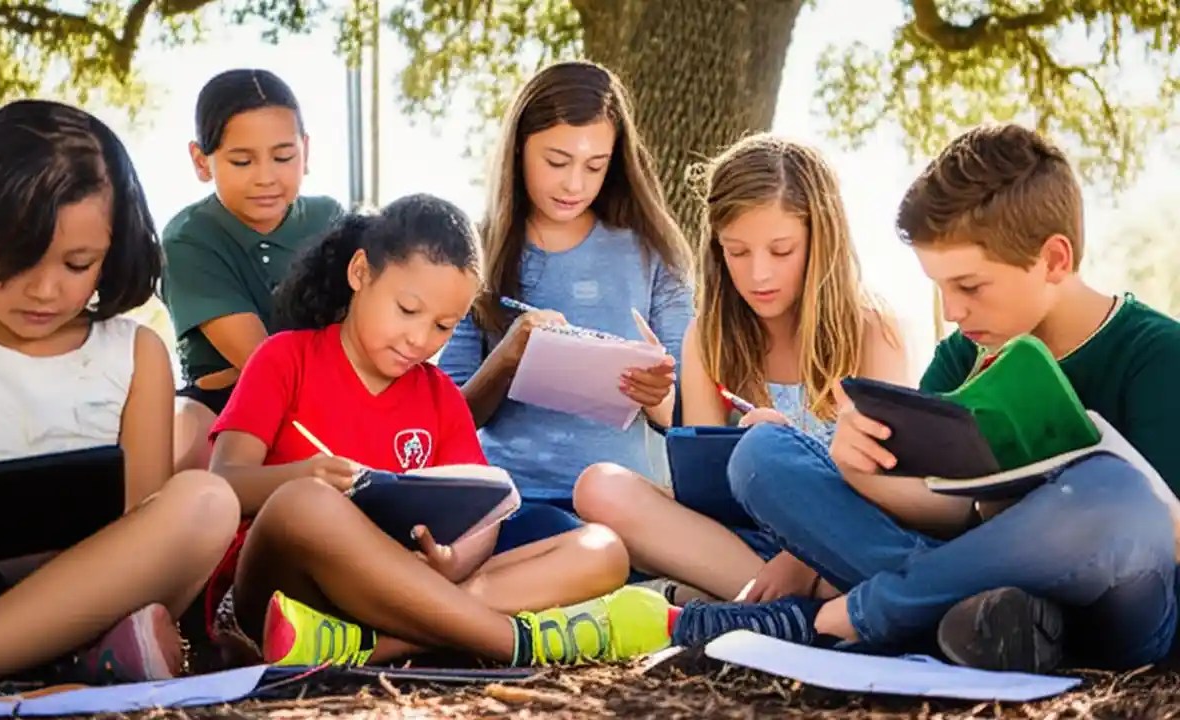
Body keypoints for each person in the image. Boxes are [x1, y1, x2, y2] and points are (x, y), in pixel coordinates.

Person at [666, 123, 1180, 674]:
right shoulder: (964, 354)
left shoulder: (1156, 353)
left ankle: (880, 610)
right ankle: (974, 621)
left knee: (1114, 490)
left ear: (1054, 260)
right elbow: (947, 511)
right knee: (763, 455)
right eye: (940, 288)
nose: (953, 312)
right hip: (979, 596)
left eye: (970, 286)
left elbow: (1160, 537)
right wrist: (863, 471)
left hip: (1116, 613)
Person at [204, 193, 671, 669]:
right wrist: (302, 476)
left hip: (408, 591)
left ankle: (369, 648)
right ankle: (514, 641)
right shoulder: (285, 359)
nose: (420, 339)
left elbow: (482, 507)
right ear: (360, 272)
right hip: (287, 591)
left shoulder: (441, 396)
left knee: (604, 550)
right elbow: (223, 483)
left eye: (443, 326)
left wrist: (454, 559)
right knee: (304, 504)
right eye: (407, 310)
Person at [0, 100, 239, 701]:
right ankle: (60, 663)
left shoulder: (136, 352)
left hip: (99, 595)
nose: (45, 289)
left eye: (78, 264)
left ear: (113, 251)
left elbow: (142, 521)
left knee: (208, 500)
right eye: (16, 260)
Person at [574, 133, 907, 604]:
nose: (759, 276)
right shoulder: (709, 337)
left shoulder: (874, 331)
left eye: (781, 250)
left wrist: (787, 456)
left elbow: (892, 486)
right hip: (738, 543)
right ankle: (784, 601)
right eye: (737, 252)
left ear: (821, 240)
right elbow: (701, 493)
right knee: (599, 488)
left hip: (840, 541)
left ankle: (748, 598)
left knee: (880, 554)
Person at [437, 60, 694, 554]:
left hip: (623, 507)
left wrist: (655, 393)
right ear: (518, 149)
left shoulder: (651, 253)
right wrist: (508, 357)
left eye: (595, 166)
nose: (575, 184)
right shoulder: (478, 251)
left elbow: (691, 419)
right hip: (511, 504)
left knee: (599, 554)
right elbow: (447, 417)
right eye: (557, 161)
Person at [161, 69, 345, 473]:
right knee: (181, 441)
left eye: (283, 157)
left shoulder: (329, 218)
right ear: (200, 161)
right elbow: (259, 359)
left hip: (336, 390)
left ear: (306, 152)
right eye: (242, 161)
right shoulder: (188, 238)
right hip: (226, 401)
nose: (266, 177)